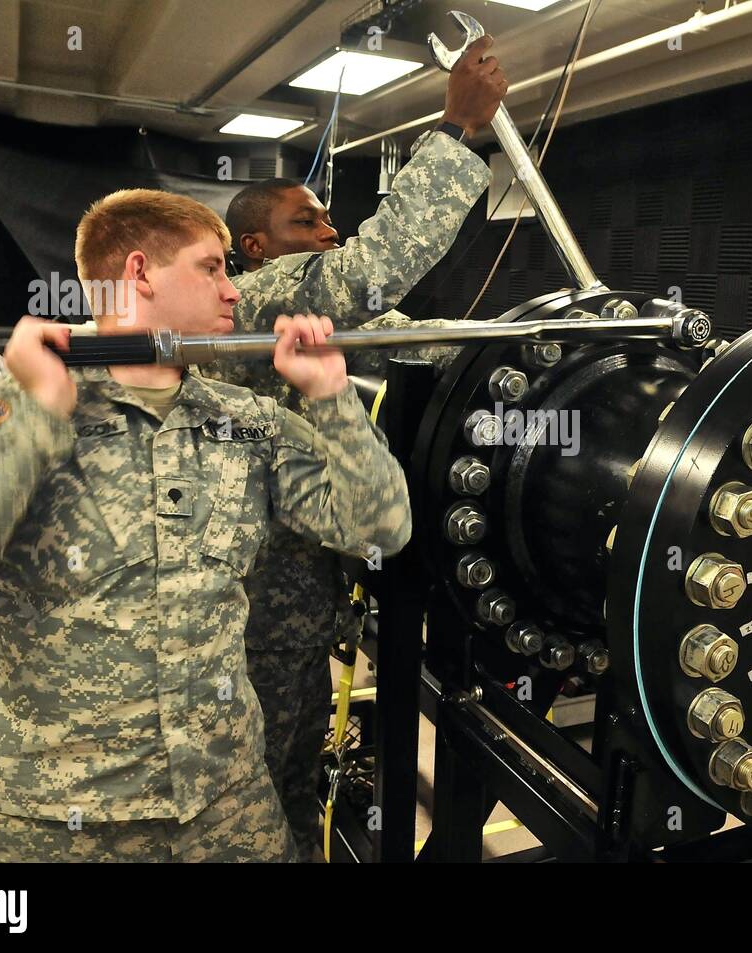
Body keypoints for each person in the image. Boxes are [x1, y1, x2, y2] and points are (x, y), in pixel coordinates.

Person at [0, 189, 411, 862]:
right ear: (139, 273)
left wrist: (332, 399)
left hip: (222, 800)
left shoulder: (246, 418)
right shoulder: (1, 396)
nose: (231, 292)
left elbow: (381, 528)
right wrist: (36, 414)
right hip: (57, 817)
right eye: (211, 268)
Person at [211, 35, 505, 860]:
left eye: (329, 215)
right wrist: (456, 131)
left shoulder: (319, 315)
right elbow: (376, 271)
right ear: (255, 250)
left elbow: (428, 341)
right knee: (259, 797)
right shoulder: (260, 299)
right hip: (254, 617)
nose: (330, 230)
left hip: (301, 611)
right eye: (306, 220)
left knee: (293, 784)